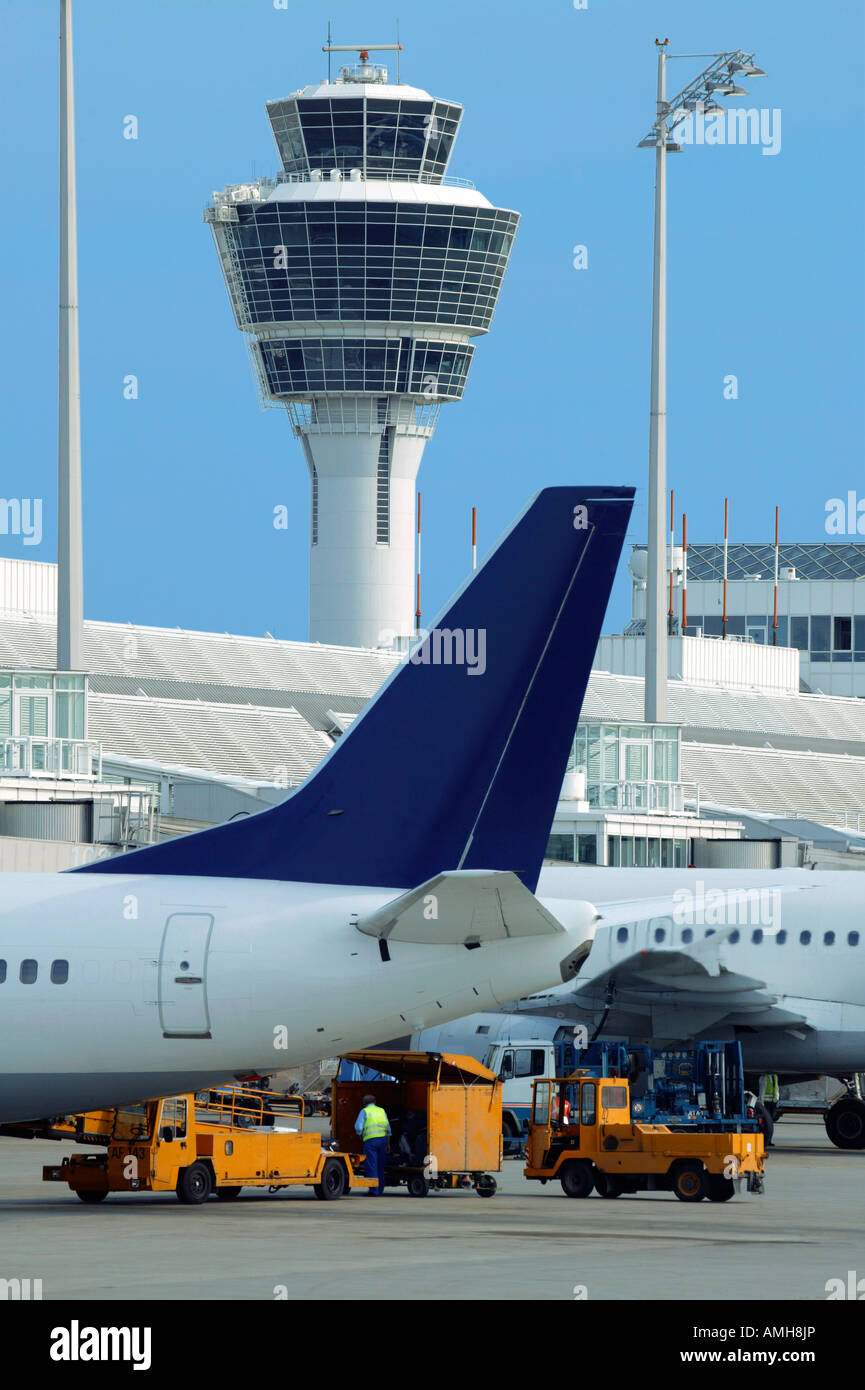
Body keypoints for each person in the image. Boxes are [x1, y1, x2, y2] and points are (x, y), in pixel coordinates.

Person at [355, 1094, 391, 1195]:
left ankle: (374, 1191)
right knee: (381, 1166)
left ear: (364, 1103)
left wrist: (360, 1135)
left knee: (372, 1166)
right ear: (375, 1102)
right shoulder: (381, 1111)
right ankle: (380, 1189)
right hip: (383, 1141)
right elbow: (388, 1128)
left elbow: (358, 1127)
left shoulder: (364, 1111)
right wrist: (388, 1144)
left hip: (371, 1142)